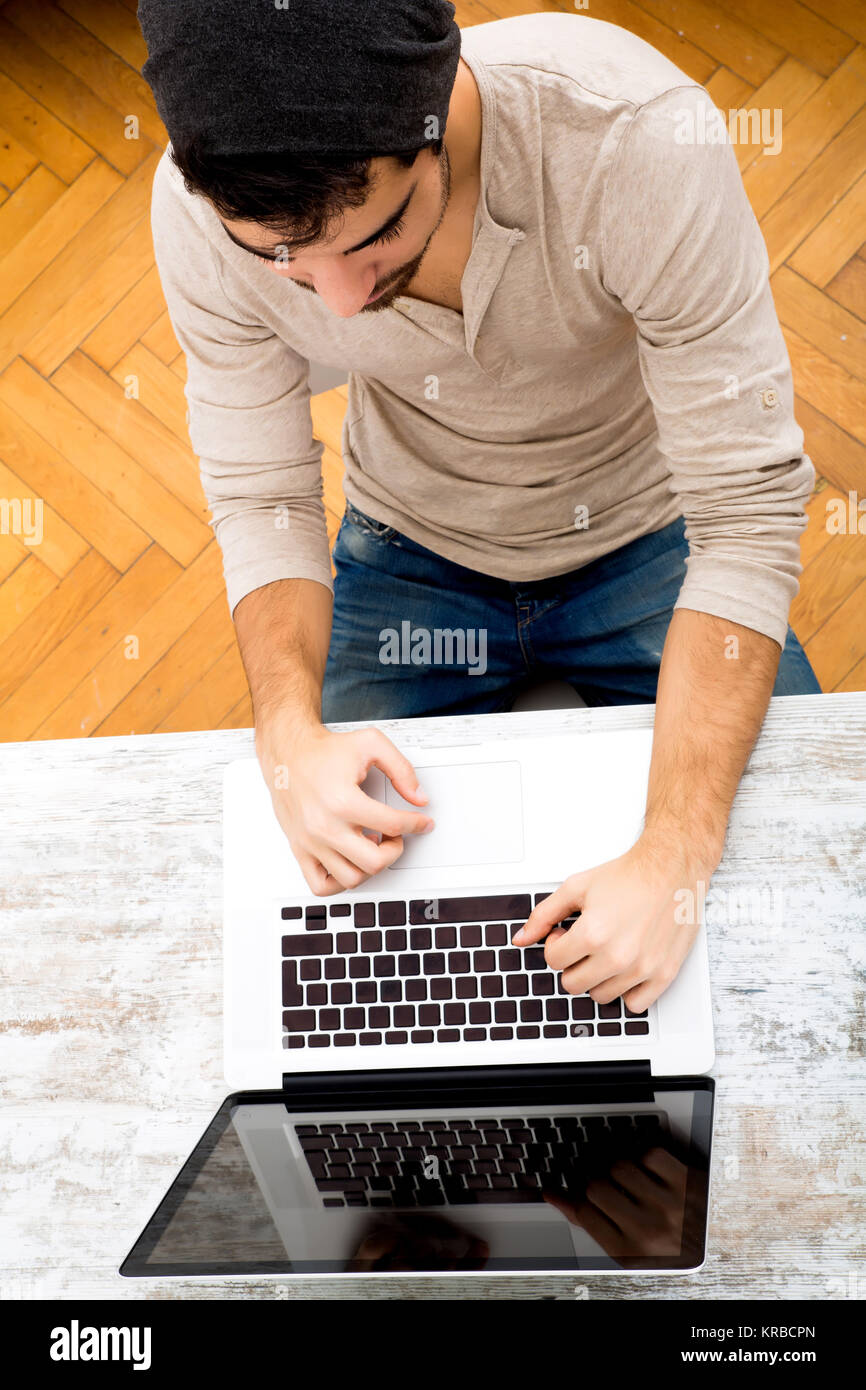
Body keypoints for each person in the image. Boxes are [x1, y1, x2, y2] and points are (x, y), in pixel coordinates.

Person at [139, 1, 821, 1014]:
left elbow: (745, 512)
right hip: (407, 547)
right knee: (335, 958)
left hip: (642, 534)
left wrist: (674, 849)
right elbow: (263, 493)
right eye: (282, 260)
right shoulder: (198, 207)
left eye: (373, 239)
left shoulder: (633, 138)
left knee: (811, 888)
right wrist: (285, 732)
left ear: (434, 110)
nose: (333, 307)